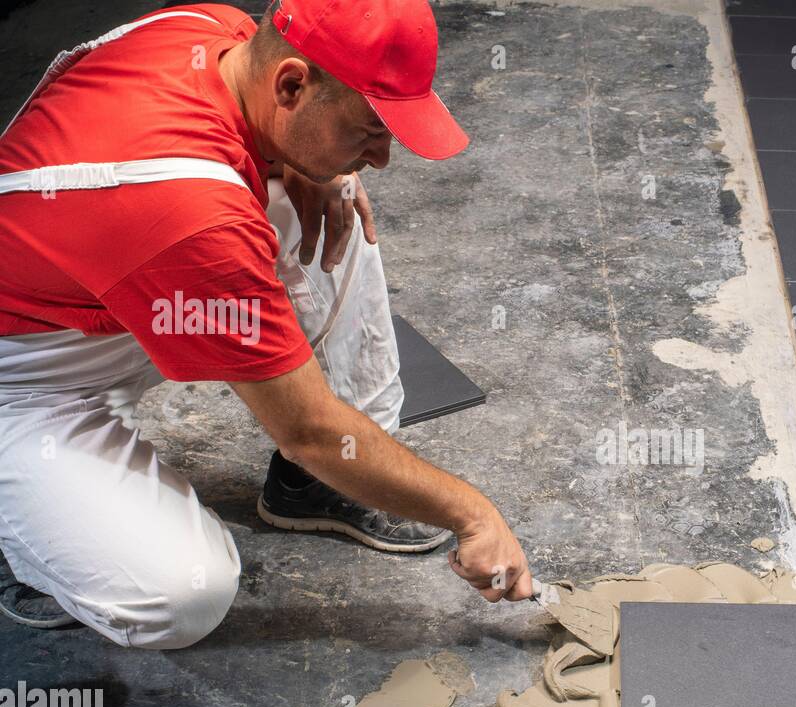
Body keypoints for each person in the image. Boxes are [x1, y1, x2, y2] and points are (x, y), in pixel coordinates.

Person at [0, 0, 533, 650]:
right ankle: (34, 541)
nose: (386, 156)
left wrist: (298, 163)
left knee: (330, 187)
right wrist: (472, 516)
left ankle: (314, 489)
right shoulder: (189, 211)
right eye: (370, 129)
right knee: (183, 594)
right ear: (290, 84)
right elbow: (307, 428)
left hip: (99, 289)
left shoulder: (213, 31)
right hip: (27, 386)